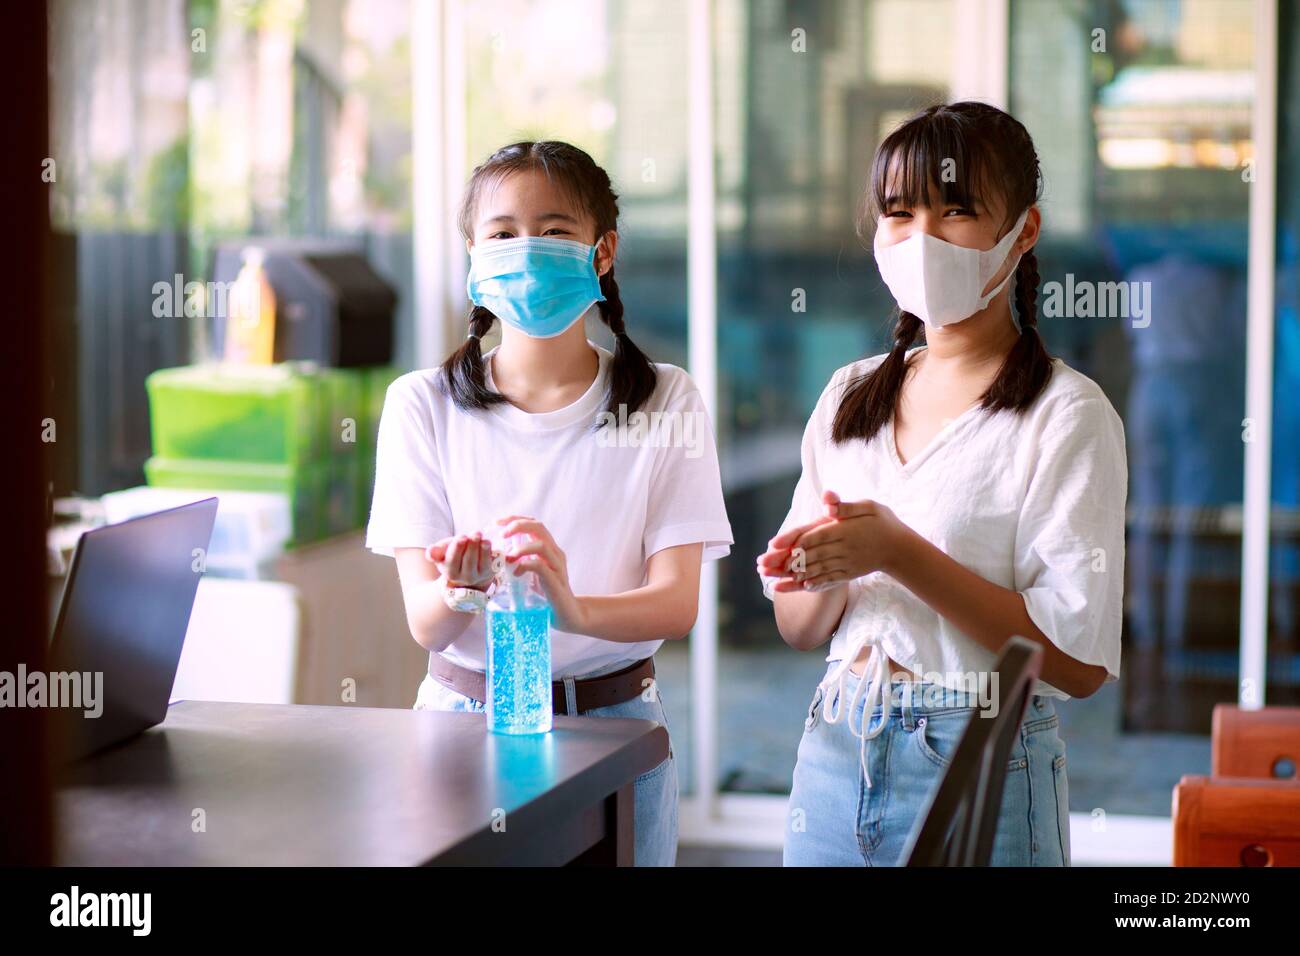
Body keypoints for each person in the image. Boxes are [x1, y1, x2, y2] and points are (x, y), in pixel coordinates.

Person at [757, 102, 1126, 866]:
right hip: (836, 742)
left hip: (979, 749)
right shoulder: (848, 395)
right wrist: (816, 571)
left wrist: (894, 550)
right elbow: (799, 630)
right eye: (900, 212)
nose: (922, 235)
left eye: (956, 209)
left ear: (1022, 231)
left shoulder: (1065, 413)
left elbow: (1079, 664)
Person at [366, 141, 733, 866]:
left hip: (616, 725)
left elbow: (675, 604)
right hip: (462, 726)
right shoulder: (420, 405)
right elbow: (426, 624)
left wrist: (573, 607)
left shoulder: (665, 400)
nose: (527, 248)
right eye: (502, 233)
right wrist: (459, 591)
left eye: (556, 229)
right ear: (471, 254)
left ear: (603, 251)